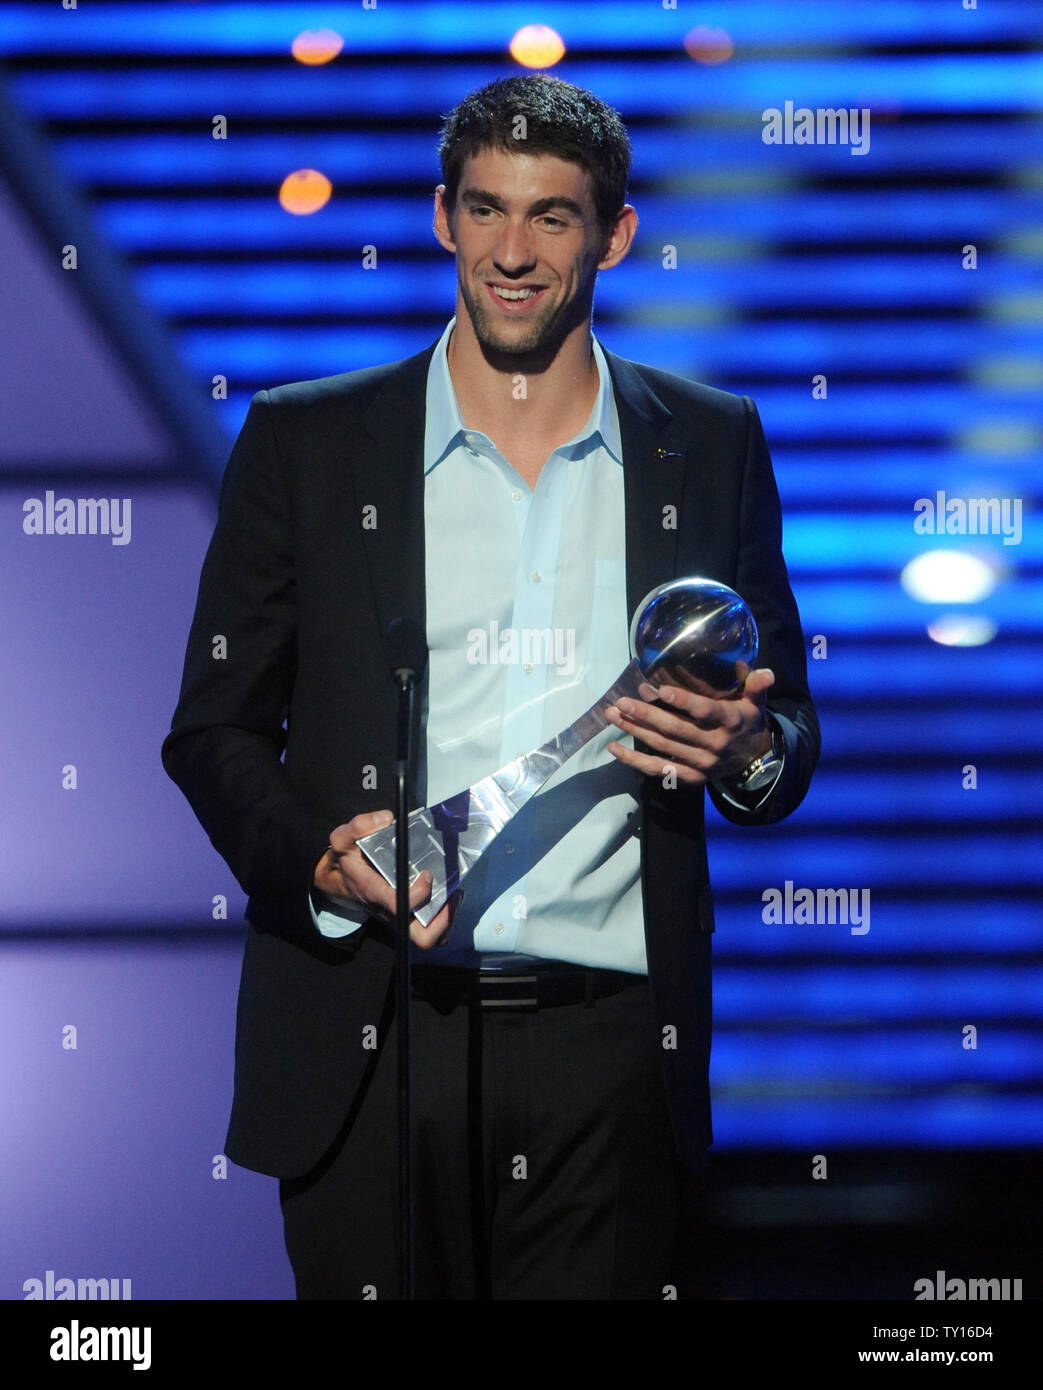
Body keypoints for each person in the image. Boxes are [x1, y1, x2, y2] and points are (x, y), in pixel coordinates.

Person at [162, 73, 819, 1300]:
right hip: (373, 1027)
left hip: (607, 1047)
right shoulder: (308, 445)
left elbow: (782, 736)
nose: (510, 253)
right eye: (484, 210)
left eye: (551, 218)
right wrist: (318, 857)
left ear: (613, 235)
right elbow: (213, 732)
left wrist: (745, 750)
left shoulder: (709, 440)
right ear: (441, 217)